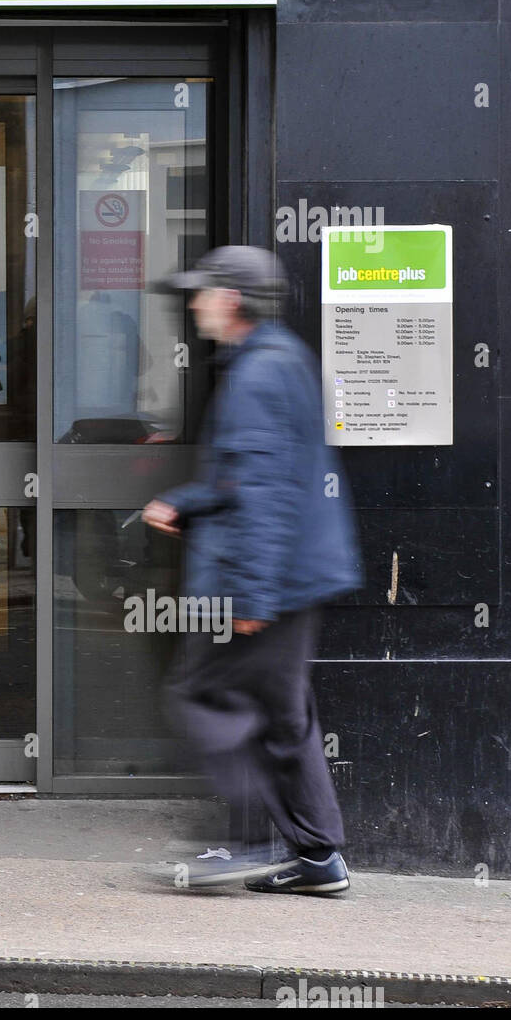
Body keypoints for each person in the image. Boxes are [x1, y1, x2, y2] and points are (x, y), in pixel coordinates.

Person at [142, 246, 362, 894]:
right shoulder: (277, 358)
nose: (194, 303)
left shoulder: (260, 373)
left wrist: (252, 598)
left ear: (231, 300)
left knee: (202, 696)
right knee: (284, 717)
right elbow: (251, 478)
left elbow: (267, 495)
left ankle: (248, 844)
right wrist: (185, 503)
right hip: (297, 577)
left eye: (203, 292)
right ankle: (318, 859)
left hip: (272, 582)